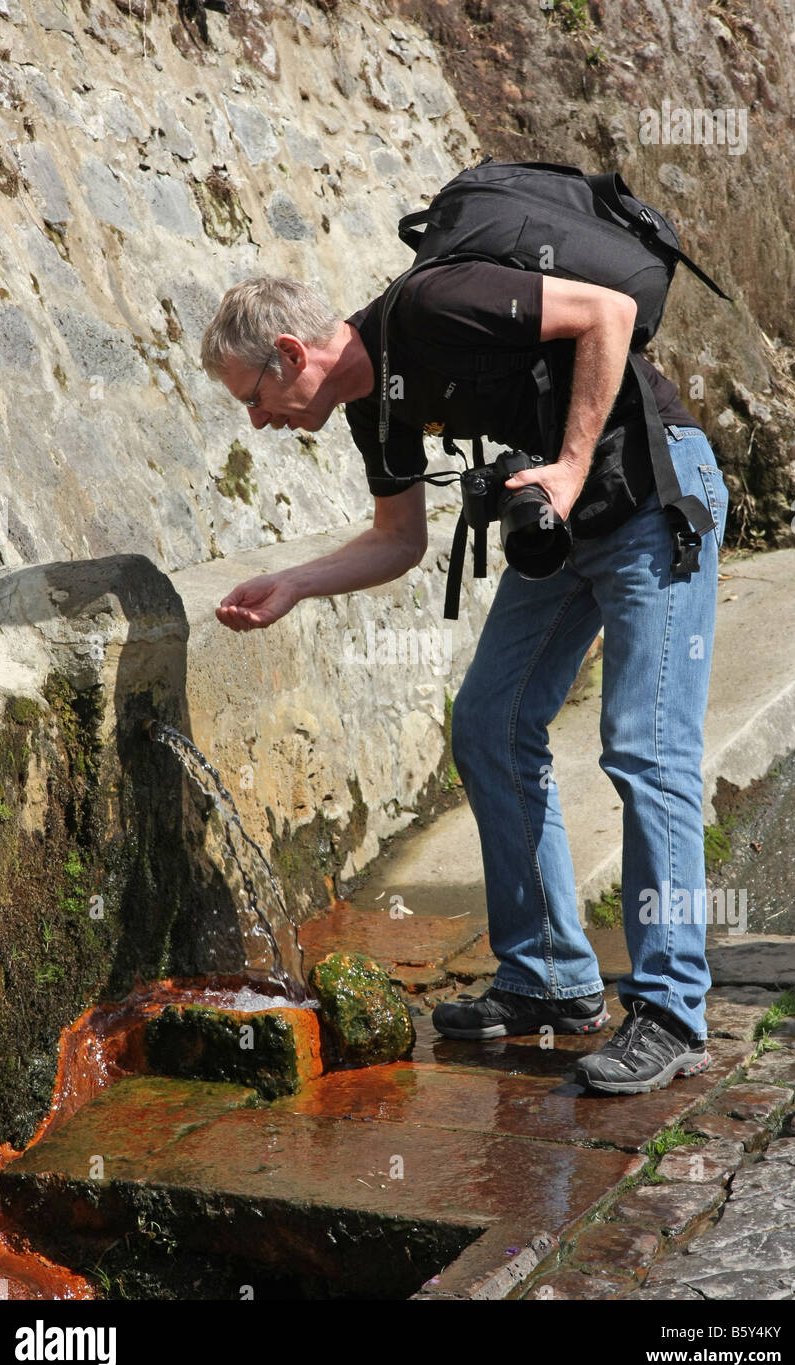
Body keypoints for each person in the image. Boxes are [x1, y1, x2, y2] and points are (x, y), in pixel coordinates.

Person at [200, 265, 729, 1095]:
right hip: (565, 516)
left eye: (253, 399)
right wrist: (295, 582)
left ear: (291, 354)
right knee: (488, 722)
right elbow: (398, 540)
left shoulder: (436, 306)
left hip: (652, 485)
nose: (260, 422)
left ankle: (670, 1011)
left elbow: (609, 312)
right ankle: (549, 973)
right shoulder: (374, 406)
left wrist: (569, 465)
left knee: (646, 746)